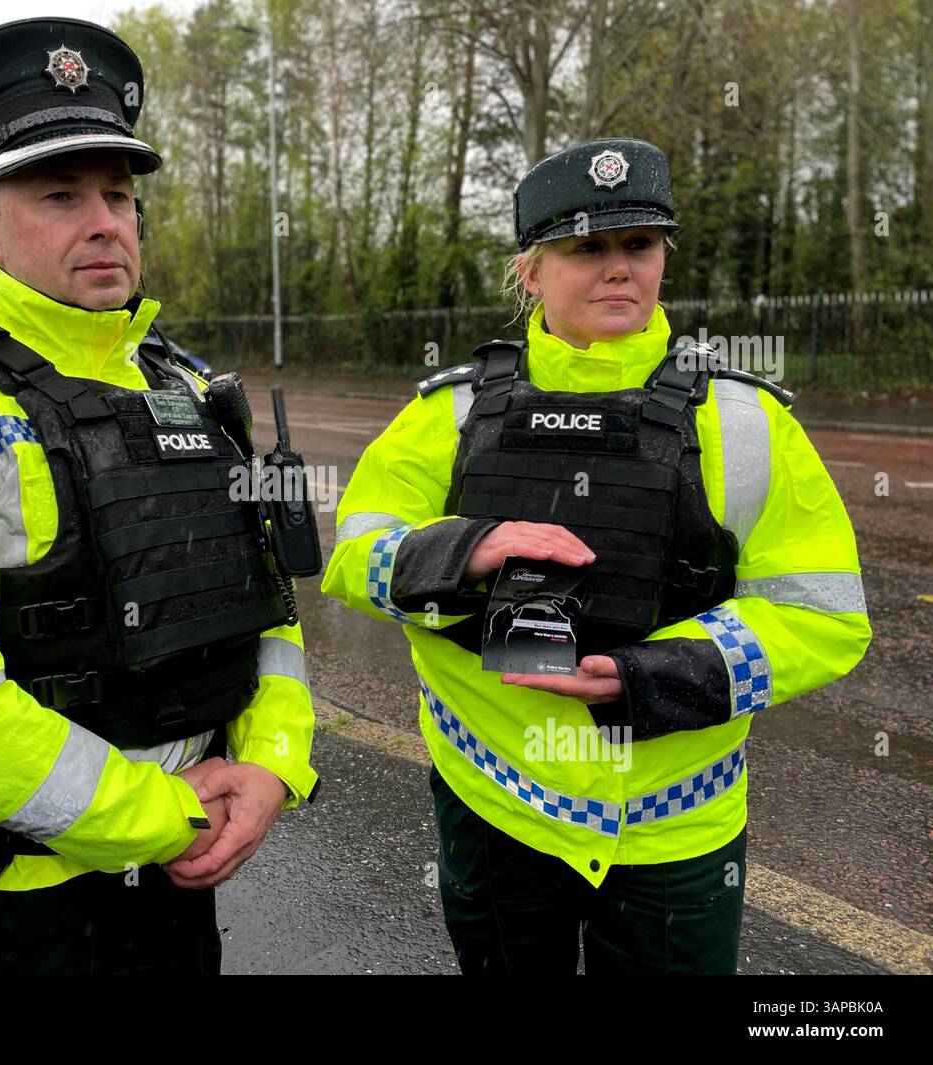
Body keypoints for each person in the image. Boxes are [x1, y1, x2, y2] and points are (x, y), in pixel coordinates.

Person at [0, 16, 318, 975]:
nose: (104, 221)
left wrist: (270, 769)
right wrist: (167, 816)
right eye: (59, 194)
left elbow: (270, 612)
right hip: (19, 907)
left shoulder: (189, 388)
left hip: (184, 875)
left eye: (119, 194)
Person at [321, 138, 870, 975]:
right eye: (586, 248)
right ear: (530, 272)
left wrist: (656, 676)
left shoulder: (749, 422)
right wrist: (467, 550)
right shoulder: (451, 412)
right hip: (494, 803)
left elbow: (824, 616)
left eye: (638, 245)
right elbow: (354, 558)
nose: (618, 269)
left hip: (678, 831)